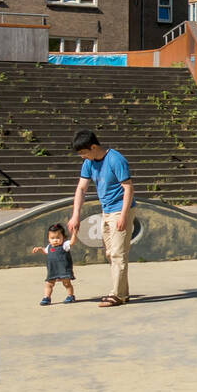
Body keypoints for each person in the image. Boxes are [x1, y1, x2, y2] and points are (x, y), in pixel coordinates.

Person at [67, 129, 133, 308]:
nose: (82, 157)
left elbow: (128, 188)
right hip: (106, 211)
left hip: (120, 210)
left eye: (83, 152)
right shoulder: (89, 163)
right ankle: (123, 293)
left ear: (94, 147)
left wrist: (124, 216)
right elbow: (81, 189)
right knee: (110, 254)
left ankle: (117, 295)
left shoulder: (115, 160)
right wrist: (75, 216)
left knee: (118, 253)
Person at [31, 222, 76, 305]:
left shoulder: (64, 245)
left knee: (66, 283)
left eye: (58, 237)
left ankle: (71, 296)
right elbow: (45, 251)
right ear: (48, 239)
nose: (55, 240)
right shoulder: (49, 247)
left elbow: (72, 242)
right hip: (52, 270)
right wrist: (40, 249)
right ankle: (46, 298)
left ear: (63, 237)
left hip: (64, 269)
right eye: (52, 238)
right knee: (49, 284)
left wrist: (74, 234)